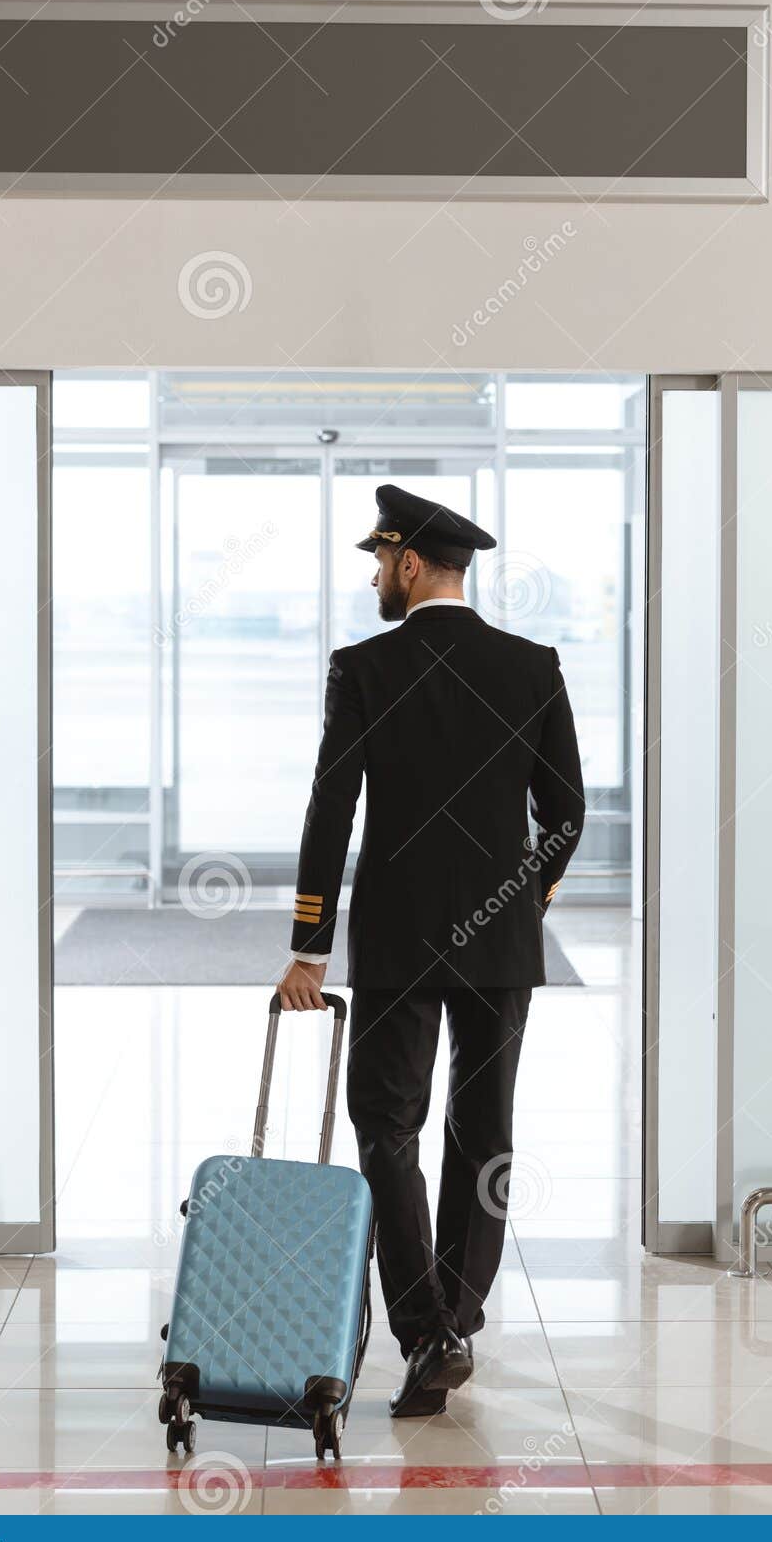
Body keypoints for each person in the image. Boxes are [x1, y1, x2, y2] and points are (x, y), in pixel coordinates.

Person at [276, 486, 584, 1417]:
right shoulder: (531, 666)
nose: (376, 576)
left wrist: (310, 947)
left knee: (386, 1125)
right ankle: (459, 1316)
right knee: (483, 1134)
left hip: (398, 942)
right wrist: (519, 902)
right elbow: (566, 813)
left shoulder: (364, 668)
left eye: (380, 561)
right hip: (501, 946)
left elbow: (331, 810)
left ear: (409, 563)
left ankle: (426, 1331)